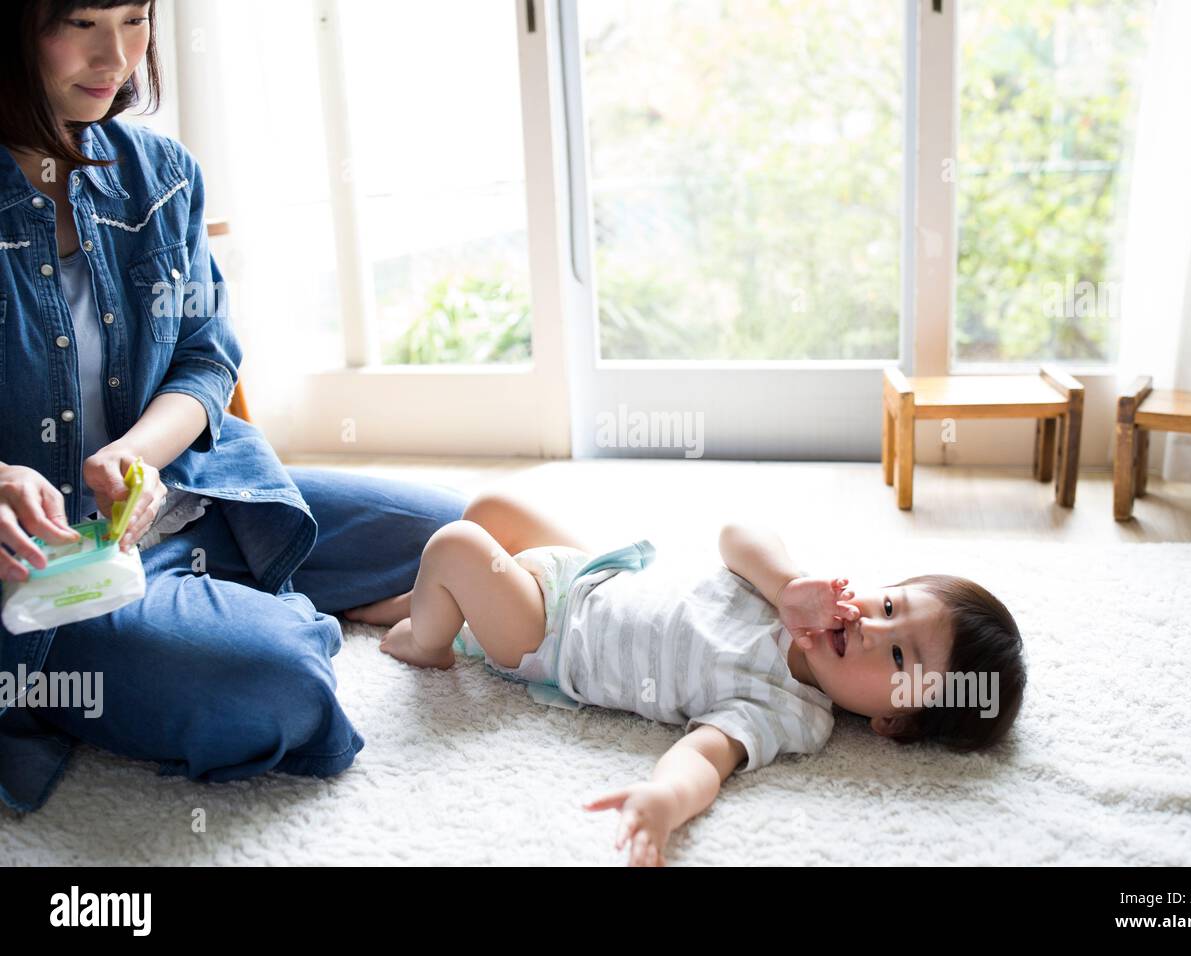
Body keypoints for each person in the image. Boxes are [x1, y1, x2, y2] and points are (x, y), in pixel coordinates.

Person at [0, 0, 466, 813]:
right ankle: (249, 615)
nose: (118, 54)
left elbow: (204, 356)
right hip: (45, 572)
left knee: (465, 530)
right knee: (280, 686)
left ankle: (242, 592)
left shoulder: (162, 173)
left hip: (187, 493)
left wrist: (139, 451)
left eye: (135, 17)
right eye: (79, 23)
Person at [349, 491, 1029, 866]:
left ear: (893, 722)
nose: (873, 628)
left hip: (552, 639)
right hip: (590, 575)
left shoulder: (790, 709)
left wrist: (664, 802)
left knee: (458, 547)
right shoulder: (798, 596)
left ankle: (433, 641)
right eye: (887, 606)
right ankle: (435, 603)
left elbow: (706, 756)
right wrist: (786, 583)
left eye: (902, 659)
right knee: (490, 510)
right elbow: (737, 530)